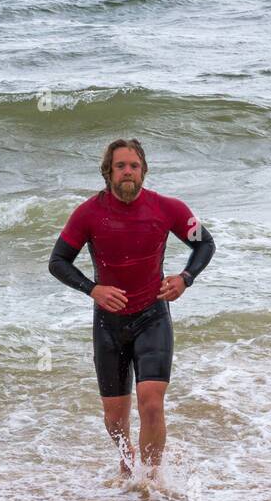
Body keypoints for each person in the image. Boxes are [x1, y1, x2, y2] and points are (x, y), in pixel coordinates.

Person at [48, 139, 216, 475]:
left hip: (152, 316)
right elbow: (58, 262)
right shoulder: (88, 213)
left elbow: (205, 244)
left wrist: (185, 278)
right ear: (108, 172)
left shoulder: (169, 208)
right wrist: (92, 288)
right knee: (114, 416)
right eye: (121, 166)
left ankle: (151, 479)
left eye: (134, 166)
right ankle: (127, 467)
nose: (128, 172)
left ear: (144, 171)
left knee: (151, 402)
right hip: (108, 324)